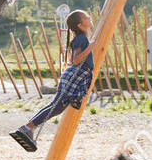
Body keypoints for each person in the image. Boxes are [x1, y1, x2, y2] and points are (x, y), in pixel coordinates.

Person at [9, 9, 95, 151]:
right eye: (86, 17)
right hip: (76, 75)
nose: (89, 17)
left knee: (55, 106)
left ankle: (28, 128)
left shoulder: (81, 38)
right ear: (80, 25)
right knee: (56, 107)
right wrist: (90, 48)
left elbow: (71, 59)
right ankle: (27, 128)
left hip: (76, 76)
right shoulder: (82, 39)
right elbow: (76, 60)